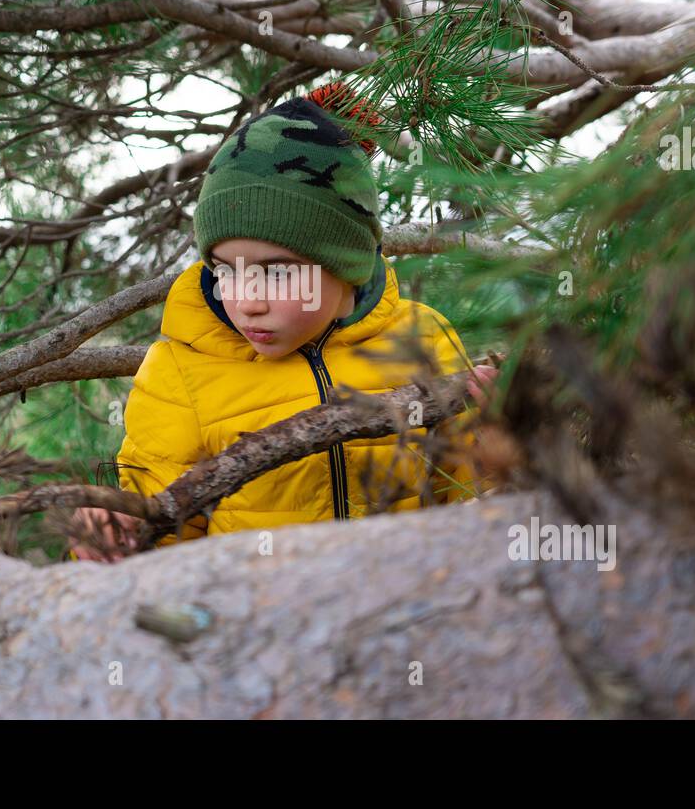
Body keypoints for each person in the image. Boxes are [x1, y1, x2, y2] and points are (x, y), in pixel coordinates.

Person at [68, 82, 499, 562]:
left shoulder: (424, 339)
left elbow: (475, 506)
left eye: (275, 272)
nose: (245, 301)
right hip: (262, 627)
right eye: (224, 270)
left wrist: (505, 437)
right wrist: (115, 536)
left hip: (409, 617)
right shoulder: (179, 374)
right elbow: (161, 541)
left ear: (346, 260)